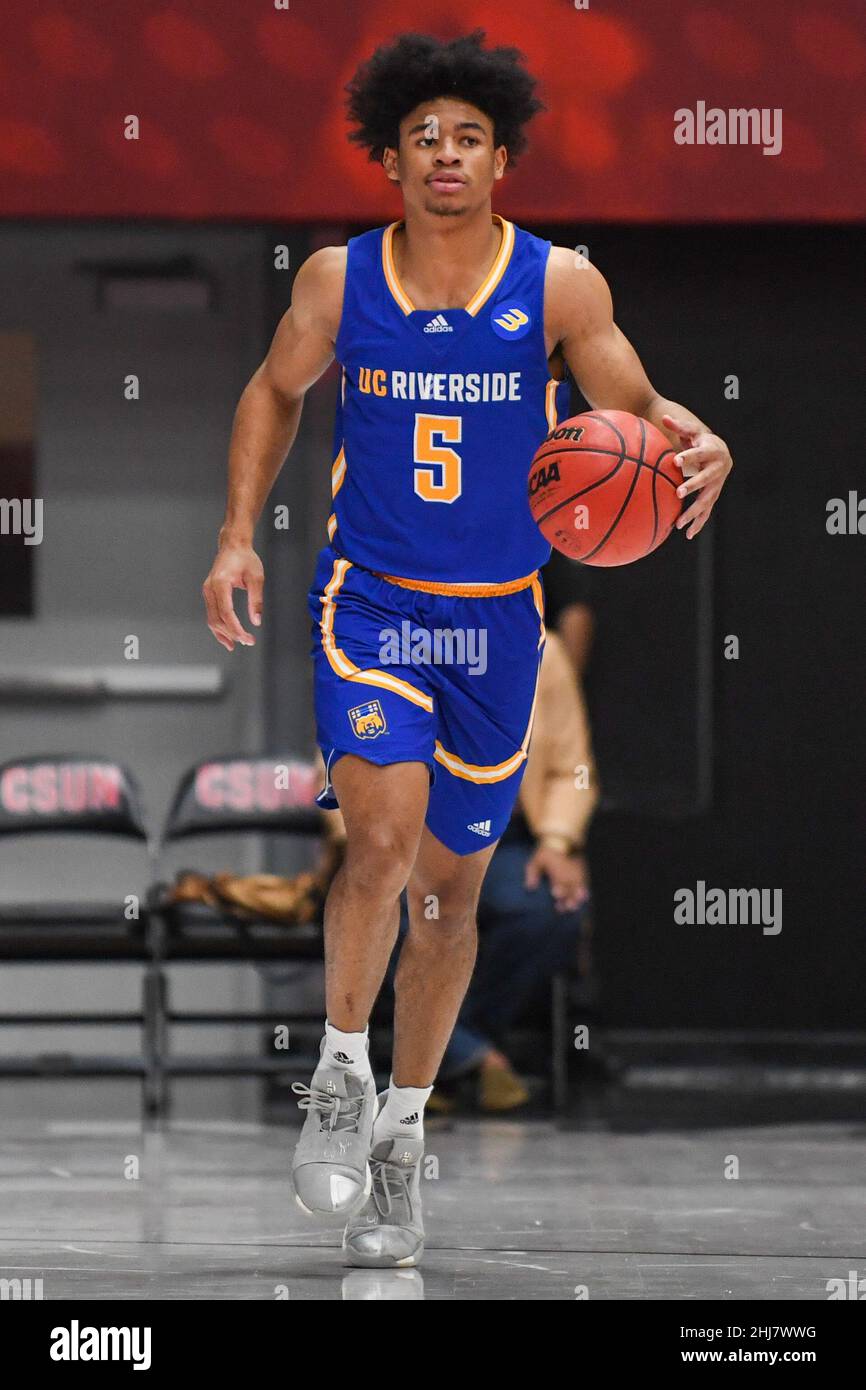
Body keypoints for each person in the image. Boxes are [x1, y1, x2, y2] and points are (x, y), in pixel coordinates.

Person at [202, 31, 733, 1269]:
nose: (445, 154)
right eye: (422, 137)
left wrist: (682, 432)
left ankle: (399, 1135)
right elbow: (273, 391)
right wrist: (238, 534)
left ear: (502, 156)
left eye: (468, 136)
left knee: (448, 900)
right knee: (378, 846)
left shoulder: (559, 287)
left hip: (498, 620)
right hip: (374, 605)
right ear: (388, 158)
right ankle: (337, 1069)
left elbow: (633, 407)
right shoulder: (340, 283)